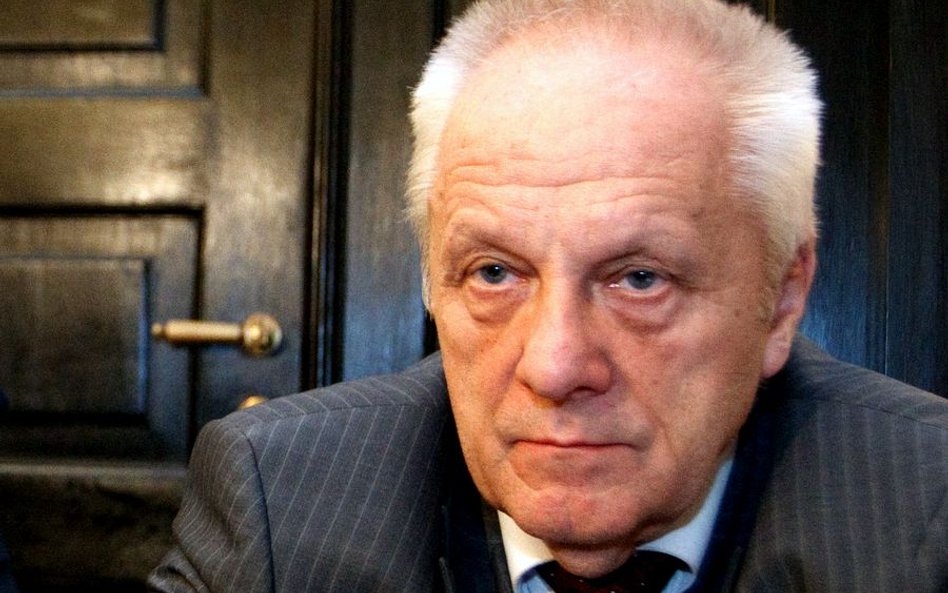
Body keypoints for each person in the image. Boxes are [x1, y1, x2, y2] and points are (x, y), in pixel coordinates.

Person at [148, 0, 948, 591]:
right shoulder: (282, 503)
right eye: (495, 272)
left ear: (782, 298)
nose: (555, 365)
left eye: (639, 279)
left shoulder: (927, 516)